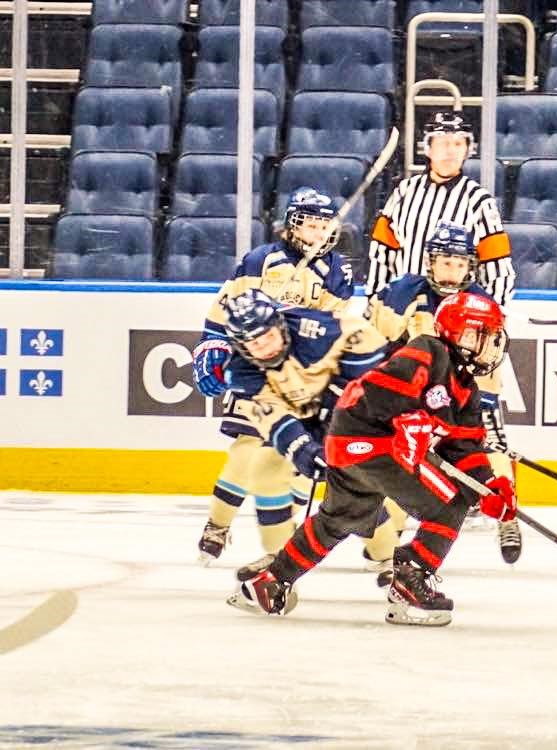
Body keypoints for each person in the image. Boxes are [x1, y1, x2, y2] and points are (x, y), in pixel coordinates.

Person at [228, 291, 517, 627]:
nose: (492, 348)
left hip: (350, 447)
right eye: (483, 337)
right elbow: (376, 391)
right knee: (449, 504)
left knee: (338, 519)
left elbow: (464, 449)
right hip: (370, 442)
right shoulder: (427, 351)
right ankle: (408, 584)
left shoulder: (466, 390)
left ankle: (268, 584)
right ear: (462, 334)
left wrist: (488, 488)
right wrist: (408, 419)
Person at [192, 188, 356, 563]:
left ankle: (283, 535)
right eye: (310, 225)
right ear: (293, 225)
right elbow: (226, 308)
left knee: (295, 462)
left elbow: (334, 325)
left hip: (301, 377)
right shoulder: (260, 260)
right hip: (255, 366)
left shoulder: (337, 271)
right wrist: (212, 346)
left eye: (323, 226)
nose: (317, 233)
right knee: (246, 449)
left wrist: (288, 314)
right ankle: (217, 525)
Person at [365, 218, 522, 563]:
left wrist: (477, 398)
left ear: (471, 266)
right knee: (405, 459)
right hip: (418, 393)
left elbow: (489, 359)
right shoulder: (404, 292)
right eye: (446, 261)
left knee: (490, 441)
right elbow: (377, 345)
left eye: (460, 263)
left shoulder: (480, 303)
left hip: (465, 391)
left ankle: (509, 518)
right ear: (430, 262)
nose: (452, 271)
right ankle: (391, 539)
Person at [206, 290, 393, 566]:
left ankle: (391, 561)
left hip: (354, 415)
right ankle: (279, 561)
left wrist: (343, 399)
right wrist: (305, 451)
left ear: (280, 325)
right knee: (265, 470)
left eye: (269, 336)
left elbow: (370, 343)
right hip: (305, 417)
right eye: (255, 345)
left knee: (353, 485)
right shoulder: (241, 373)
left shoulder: (314, 330)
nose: (266, 348)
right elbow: (276, 421)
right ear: (241, 348)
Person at [365, 111, 514, 306]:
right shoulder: (405, 191)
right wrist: (375, 305)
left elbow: (498, 270)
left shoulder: (479, 201)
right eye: (443, 142)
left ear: (468, 150)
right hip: (404, 312)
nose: (450, 151)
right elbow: (382, 256)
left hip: (456, 316)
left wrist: (491, 316)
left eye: (458, 143)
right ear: (428, 148)